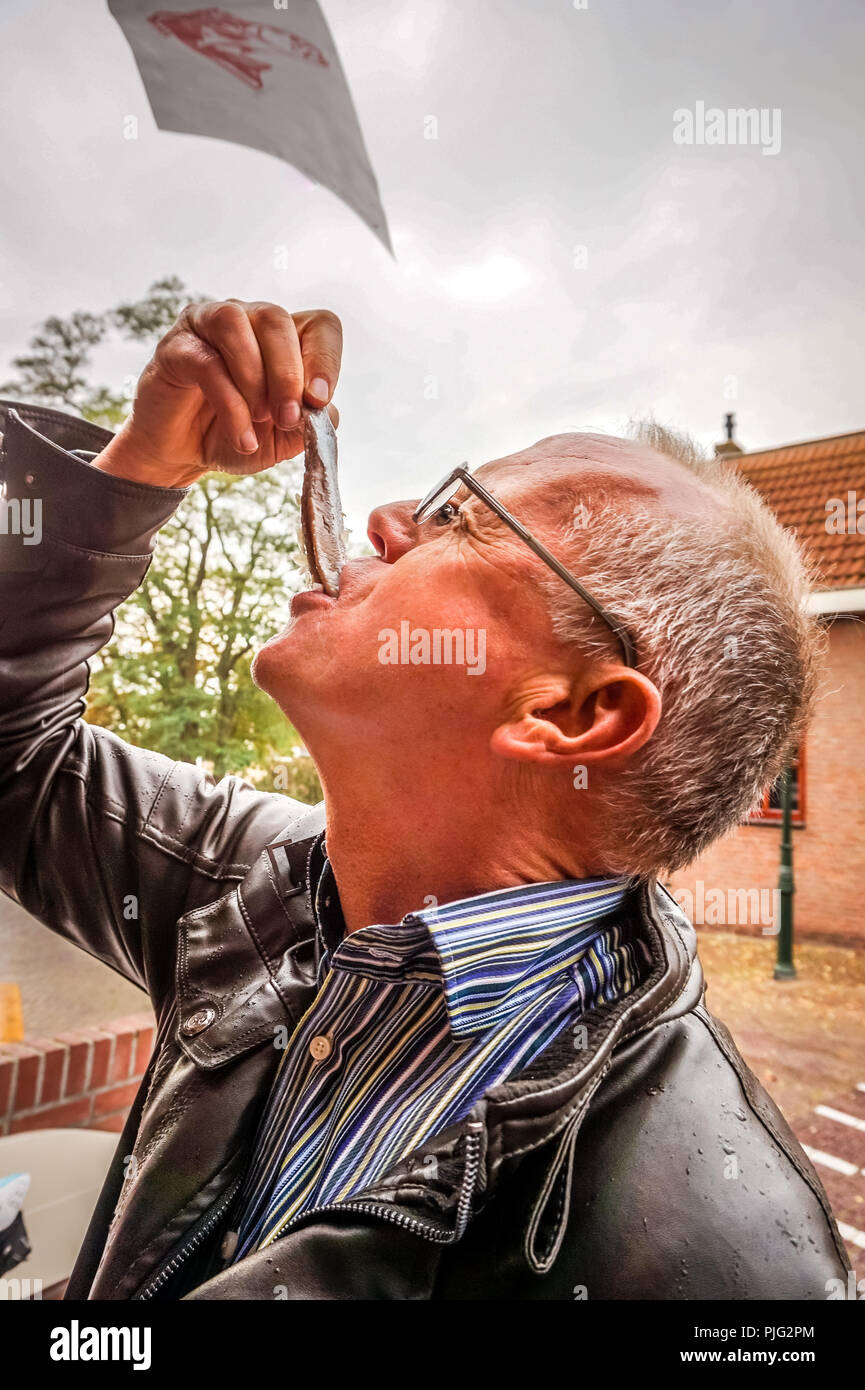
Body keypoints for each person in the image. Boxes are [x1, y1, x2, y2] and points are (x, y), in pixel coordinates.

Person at [0, 299, 850, 1300]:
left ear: (570, 716)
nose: (383, 518)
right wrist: (134, 471)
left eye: (461, 518)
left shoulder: (729, 1269)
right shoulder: (248, 883)